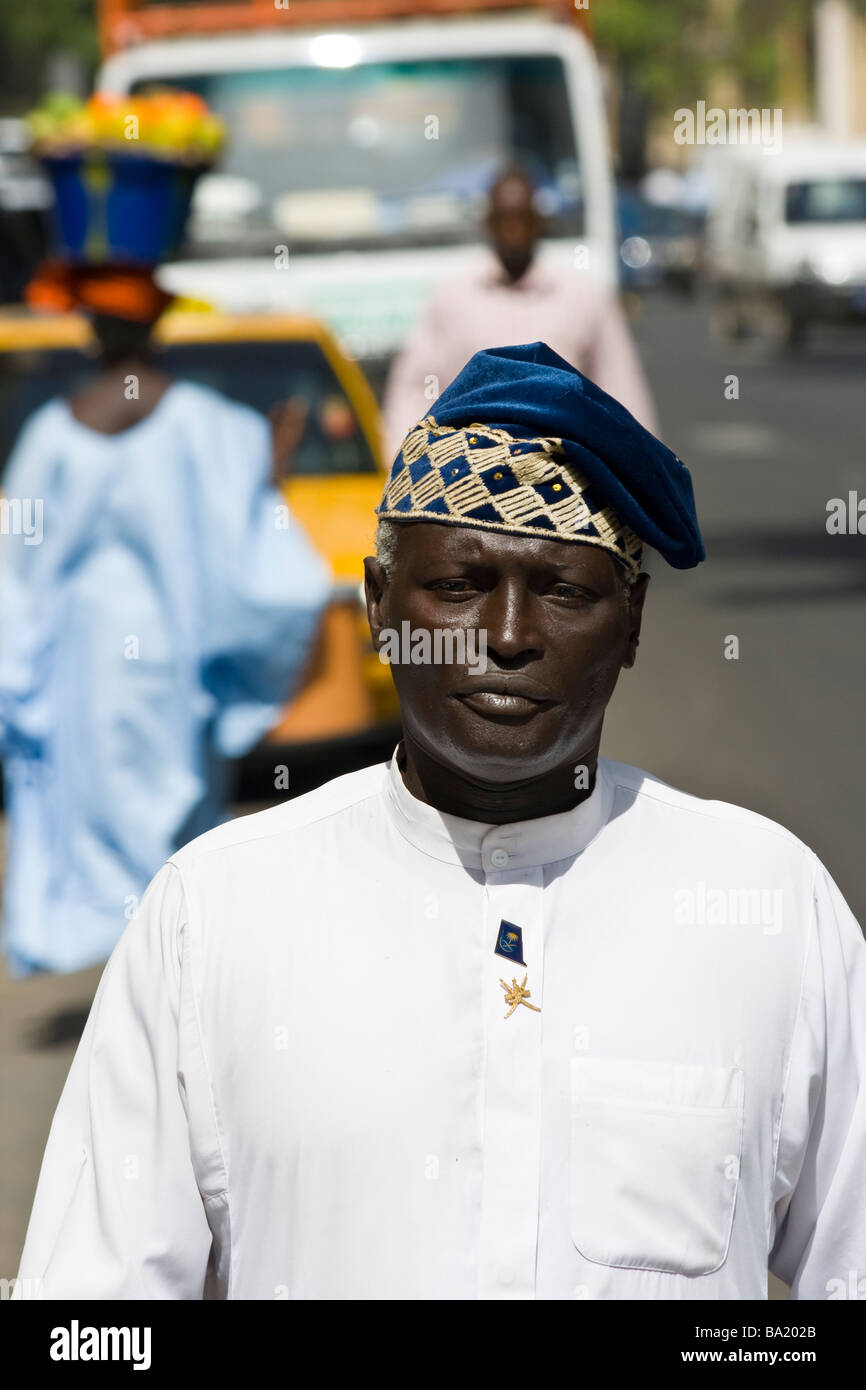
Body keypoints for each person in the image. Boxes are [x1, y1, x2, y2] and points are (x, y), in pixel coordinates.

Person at [14, 341, 865, 1300]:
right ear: (381, 607)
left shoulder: (765, 904)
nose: (507, 637)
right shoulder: (211, 915)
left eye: (564, 591)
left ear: (630, 625)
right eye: (457, 587)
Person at [0, 265, 329, 977]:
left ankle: (136, 975)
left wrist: (20, 677)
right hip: (170, 661)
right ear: (157, 326)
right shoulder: (214, 426)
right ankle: (165, 973)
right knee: (173, 822)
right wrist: (268, 472)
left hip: (80, 668)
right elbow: (249, 546)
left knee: (98, 821)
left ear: (91, 331)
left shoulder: (52, 434)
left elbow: (15, 571)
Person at [382, 165, 659, 457]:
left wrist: (642, 467)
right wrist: (403, 461)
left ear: (540, 222)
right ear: (488, 224)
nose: (513, 230)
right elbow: (413, 389)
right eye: (504, 219)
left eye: (522, 219)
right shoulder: (451, 298)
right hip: (469, 474)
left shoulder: (584, 297)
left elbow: (621, 387)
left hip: (564, 477)